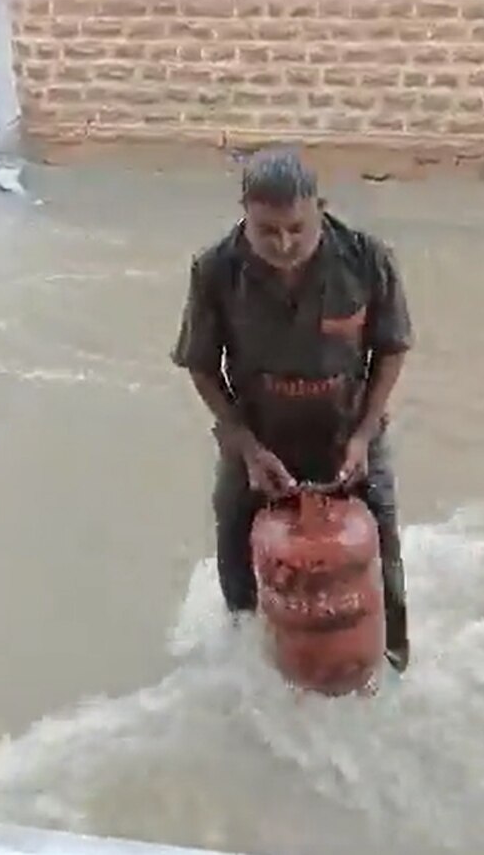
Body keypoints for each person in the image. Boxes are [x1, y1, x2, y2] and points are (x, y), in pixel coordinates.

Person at [171, 147, 413, 671]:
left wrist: (364, 435)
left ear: (319, 207)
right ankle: (247, 661)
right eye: (267, 231)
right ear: (245, 214)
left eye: (297, 229)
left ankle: (393, 661)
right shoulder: (214, 270)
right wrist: (246, 447)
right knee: (234, 538)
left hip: (347, 430)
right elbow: (201, 365)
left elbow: (391, 348)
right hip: (260, 436)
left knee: (383, 548)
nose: (283, 245)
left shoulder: (367, 259)